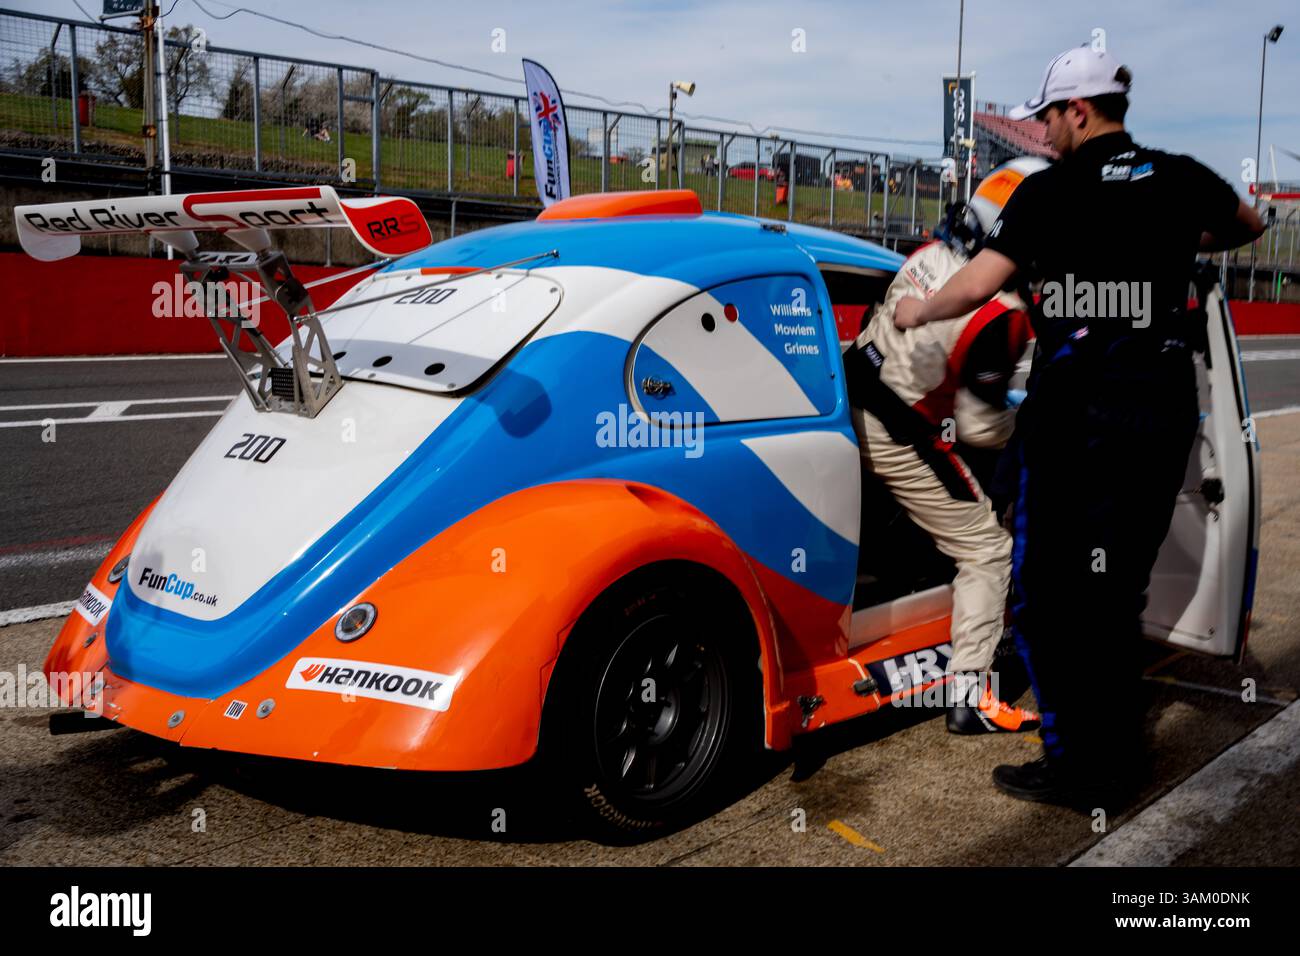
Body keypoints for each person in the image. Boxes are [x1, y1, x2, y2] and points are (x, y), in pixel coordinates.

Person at [892, 45, 1265, 805]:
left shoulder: (1048, 194)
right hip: (1161, 405)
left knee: (1044, 595)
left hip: (1079, 415)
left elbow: (977, 283)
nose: (1043, 133)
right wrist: (1168, 246)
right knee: (1117, 593)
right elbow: (1249, 224)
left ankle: (1077, 767)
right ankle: (1118, 759)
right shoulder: (1179, 176)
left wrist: (917, 309)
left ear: (1078, 111)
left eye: (1049, 118)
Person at [844, 158, 1047, 735]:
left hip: (846, 400)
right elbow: (980, 428)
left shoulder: (925, 257)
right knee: (988, 549)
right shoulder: (1002, 313)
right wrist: (1028, 427)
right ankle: (972, 694)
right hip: (897, 431)